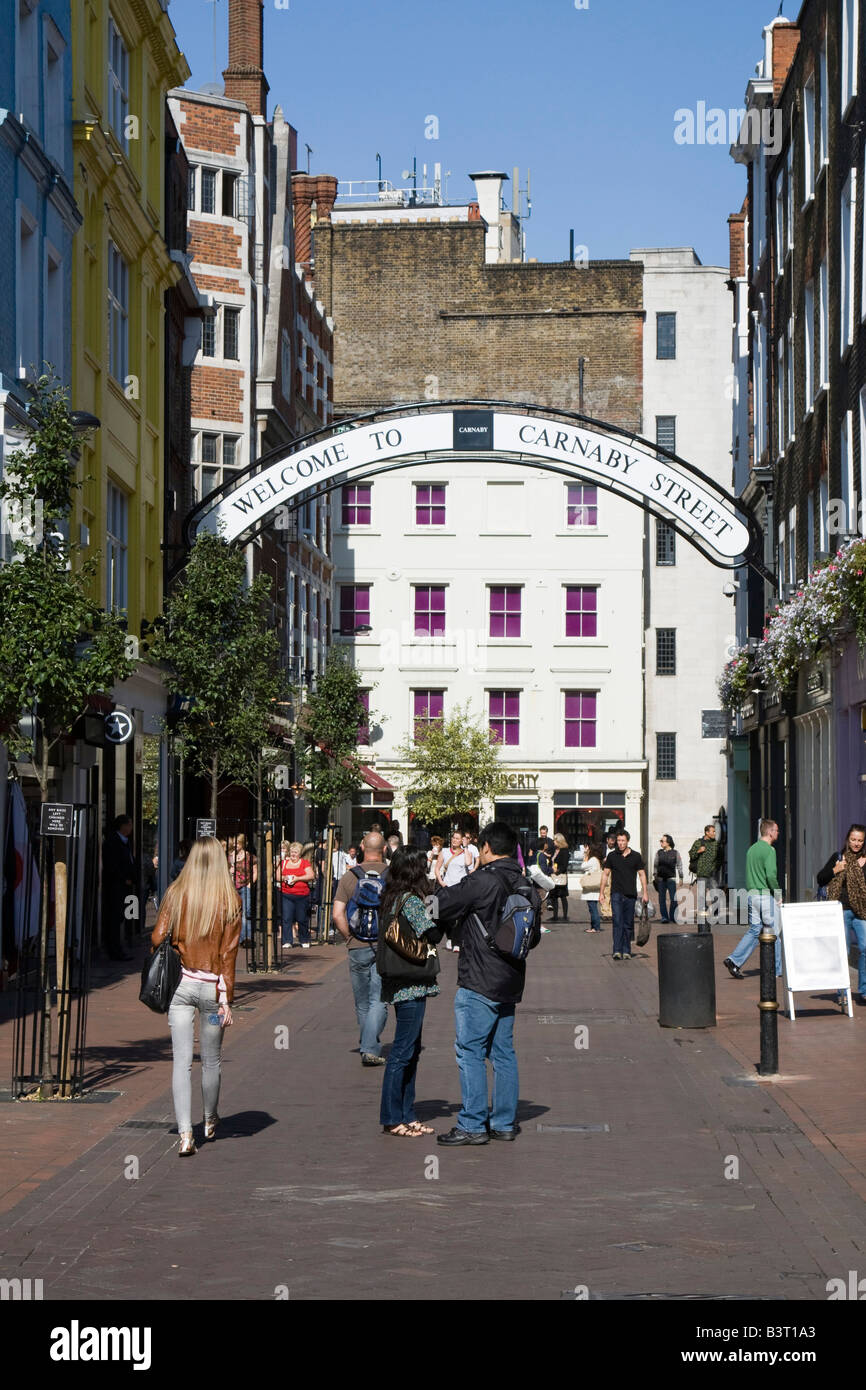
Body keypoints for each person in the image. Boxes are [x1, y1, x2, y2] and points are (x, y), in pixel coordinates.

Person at [434, 821, 542, 1145]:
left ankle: (472, 1124)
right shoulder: (526, 884)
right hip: (510, 979)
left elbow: (438, 905)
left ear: (485, 848)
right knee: (504, 1053)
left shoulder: (481, 880)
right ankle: (505, 1123)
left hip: (479, 979)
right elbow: (532, 938)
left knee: (469, 1051)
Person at [150, 837, 242, 1156]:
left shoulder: (175, 893)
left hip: (180, 986)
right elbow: (229, 954)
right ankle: (209, 1119)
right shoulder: (230, 900)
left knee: (181, 1063)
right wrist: (226, 998)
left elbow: (157, 936)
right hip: (213, 989)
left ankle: (186, 1135)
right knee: (212, 1060)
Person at [376, 848, 440, 1137]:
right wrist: (436, 901)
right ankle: (393, 1117)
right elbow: (433, 932)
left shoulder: (390, 897)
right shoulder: (413, 901)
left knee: (409, 1051)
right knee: (403, 1052)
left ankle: (407, 1113)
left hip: (400, 981)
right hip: (411, 984)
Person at [332, 830, 389, 1065]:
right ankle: (370, 1047)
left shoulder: (349, 877)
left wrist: (348, 937)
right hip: (385, 946)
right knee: (379, 999)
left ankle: (368, 1045)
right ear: (384, 849)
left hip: (357, 945)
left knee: (362, 1002)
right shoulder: (393, 875)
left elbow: (337, 914)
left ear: (363, 847)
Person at [723, 819, 783, 980]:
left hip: (751, 896)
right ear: (770, 832)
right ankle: (778, 970)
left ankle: (734, 959)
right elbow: (770, 875)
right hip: (764, 896)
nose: (778, 833)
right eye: (776, 830)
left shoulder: (751, 849)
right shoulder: (769, 850)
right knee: (775, 932)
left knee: (755, 930)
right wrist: (778, 895)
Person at [816, 824, 866, 1004]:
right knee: (843, 951)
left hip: (862, 912)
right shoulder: (838, 857)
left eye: (860, 840)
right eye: (853, 839)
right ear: (847, 839)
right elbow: (820, 878)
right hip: (841, 911)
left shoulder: (865, 860)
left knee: (865, 948)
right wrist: (836, 870)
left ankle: (864, 990)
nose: (856, 844)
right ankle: (842, 992)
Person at [601, 830, 648, 960]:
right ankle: (617, 950)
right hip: (616, 893)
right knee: (617, 921)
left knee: (628, 923)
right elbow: (605, 874)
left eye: (623, 841)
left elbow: (642, 874)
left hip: (630, 894)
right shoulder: (612, 856)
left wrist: (645, 893)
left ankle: (626, 950)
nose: (620, 843)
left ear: (627, 841)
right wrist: (601, 893)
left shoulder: (636, 856)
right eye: (619, 841)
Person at [102, 813, 136, 960]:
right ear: (122, 826)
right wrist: (123, 879)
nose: (131, 828)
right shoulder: (113, 841)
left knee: (125, 915)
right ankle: (114, 950)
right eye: (129, 824)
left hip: (126, 887)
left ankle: (124, 943)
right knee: (115, 918)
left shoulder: (126, 841)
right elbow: (112, 865)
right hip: (116, 887)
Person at [436, 830, 474, 950]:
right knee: (448, 915)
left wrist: (466, 846)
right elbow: (437, 868)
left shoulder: (466, 853)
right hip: (447, 887)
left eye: (458, 838)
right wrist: (441, 881)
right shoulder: (445, 852)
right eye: (453, 838)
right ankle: (450, 938)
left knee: (459, 915)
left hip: (460, 888)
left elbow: (468, 863)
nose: (455, 840)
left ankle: (456, 942)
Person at [278, 841, 315, 949]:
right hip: (286, 894)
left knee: (302, 918)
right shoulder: (283, 863)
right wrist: (285, 878)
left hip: (302, 895)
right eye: (292, 852)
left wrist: (298, 878)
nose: (293, 854)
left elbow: (311, 875)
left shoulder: (304, 863)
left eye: (296, 852)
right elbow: (277, 876)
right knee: (286, 918)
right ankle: (287, 941)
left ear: (300, 853)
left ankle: (304, 939)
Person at [227, 833, 257, 944]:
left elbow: (255, 872)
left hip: (245, 886)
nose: (235, 845)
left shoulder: (249, 856)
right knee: (233, 913)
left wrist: (250, 884)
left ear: (243, 844)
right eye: (234, 843)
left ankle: (246, 938)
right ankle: (234, 938)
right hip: (232, 887)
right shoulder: (230, 856)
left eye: (238, 843)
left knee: (246, 912)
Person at [653, 834, 683, 924]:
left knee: (673, 898)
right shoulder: (659, 852)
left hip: (671, 879)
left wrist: (681, 877)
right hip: (661, 879)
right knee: (661, 899)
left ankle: (673, 917)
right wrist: (655, 876)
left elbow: (679, 865)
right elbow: (655, 865)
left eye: (662, 841)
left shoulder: (675, 853)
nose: (660, 843)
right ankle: (664, 917)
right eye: (660, 841)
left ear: (668, 842)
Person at [688, 823, 722, 900]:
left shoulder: (716, 844)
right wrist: (698, 851)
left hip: (712, 875)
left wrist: (716, 868)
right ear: (707, 832)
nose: (714, 833)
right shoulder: (698, 843)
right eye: (713, 831)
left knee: (716, 896)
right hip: (701, 874)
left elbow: (720, 857)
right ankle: (702, 911)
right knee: (701, 897)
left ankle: (716, 911)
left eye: (715, 831)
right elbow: (691, 855)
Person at [580, 843, 604, 933]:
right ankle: (594, 926)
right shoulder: (597, 860)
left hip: (591, 889)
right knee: (593, 907)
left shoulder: (593, 859)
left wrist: (585, 855)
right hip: (594, 889)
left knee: (592, 908)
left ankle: (595, 927)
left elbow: (583, 866)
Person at [549, 832, 571, 922]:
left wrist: (557, 871)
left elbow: (564, 865)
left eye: (555, 840)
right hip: (553, 876)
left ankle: (565, 916)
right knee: (553, 896)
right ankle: (555, 916)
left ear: (559, 841)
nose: (553, 841)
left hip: (560, 876)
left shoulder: (564, 851)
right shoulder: (554, 850)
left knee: (562, 896)